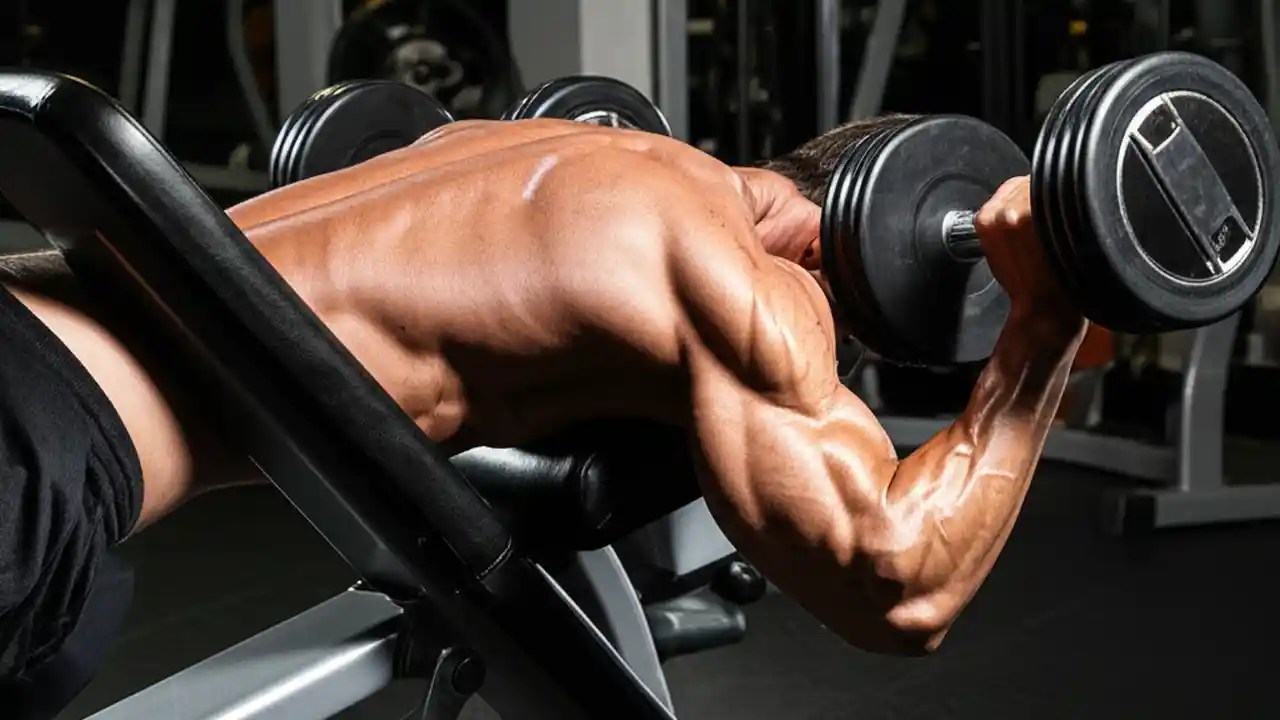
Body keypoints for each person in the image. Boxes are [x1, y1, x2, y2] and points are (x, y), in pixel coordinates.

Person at [0, 115, 1086, 697]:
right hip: (28, 439)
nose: (829, 354)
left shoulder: (520, 147)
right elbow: (897, 589)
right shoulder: (739, 277)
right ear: (855, 236)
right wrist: (1040, 328)